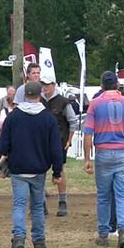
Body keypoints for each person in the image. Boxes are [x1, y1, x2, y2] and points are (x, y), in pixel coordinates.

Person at [0, 80, 65, 248]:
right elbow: (55, 147)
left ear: (24, 95)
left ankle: (19, 236)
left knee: (19, 205)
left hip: (18, 167)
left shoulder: (13, 117)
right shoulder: (48, 118)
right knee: (37, 206)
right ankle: (39, 239)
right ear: (40, 94)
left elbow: (3, 143)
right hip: (39, 168)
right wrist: (57, 171)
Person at [82, 72, 124, 248]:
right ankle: (123, 229)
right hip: (123, 152)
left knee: (103, 195)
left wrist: (87, 158)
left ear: (102, 86)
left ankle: (103, 233)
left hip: (103, 152)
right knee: (122, 194)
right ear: (117, 85)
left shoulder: (95, 104)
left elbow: (88, 134)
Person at [39, 68, 79, 217]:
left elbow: (73, 122)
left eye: (47, 84)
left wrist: (69, 140)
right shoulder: (38, 101)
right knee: (40, 173)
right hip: (41, 144)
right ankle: (41, 203)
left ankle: (62, 202)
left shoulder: (63, 102)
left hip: (59, 143)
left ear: (53, 85)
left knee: (60, 171)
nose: (45, 87)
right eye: (43, 84)